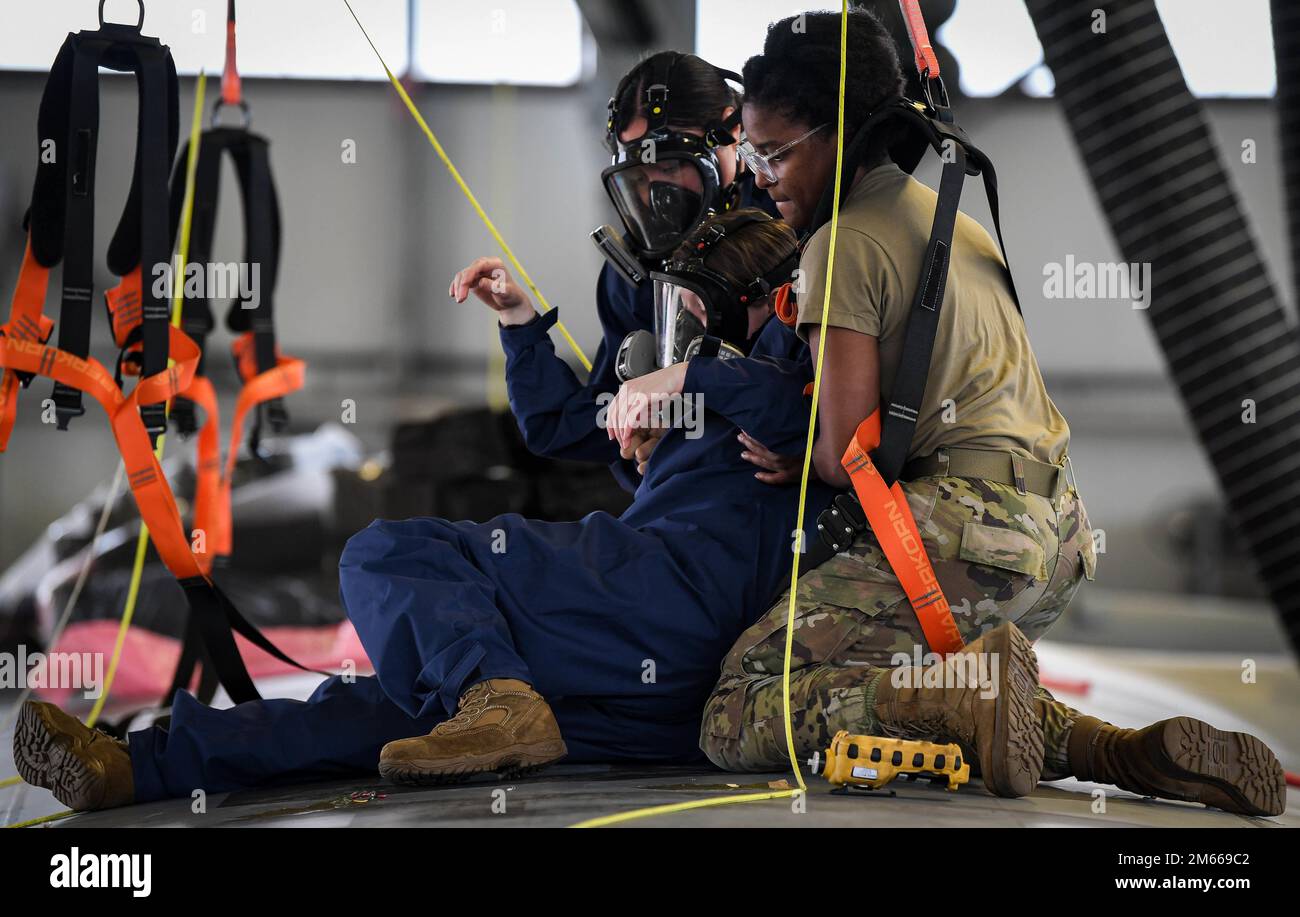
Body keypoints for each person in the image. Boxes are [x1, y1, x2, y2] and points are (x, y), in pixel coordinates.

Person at [14, 208, 838, 810]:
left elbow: (803, 405)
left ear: (760, 305)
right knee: (374, 717)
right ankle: (135, 764)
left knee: (388, 554)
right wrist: (521, 322)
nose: (679, 331)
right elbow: (559, 424)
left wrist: (684, 381)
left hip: (665, 603)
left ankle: (496, 697)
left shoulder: (784, 377)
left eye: (692, 309)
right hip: (647, 699)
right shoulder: (693, 407)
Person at [698, 9, 1286, 817]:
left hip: (964, 529)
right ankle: (1112, 750)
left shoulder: (840, 244)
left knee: (738, 702)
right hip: (1059, 533)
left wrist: (786, 443)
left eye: (774, 152)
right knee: (968, 691)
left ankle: (946, 702)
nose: (761, 174)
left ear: (841, 134)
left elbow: (842, 457)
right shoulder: (957, 225)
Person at [457, 51, 778, 491]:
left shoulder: (790, 232)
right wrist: (520, 322)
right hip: (687, 513)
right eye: (640, 177)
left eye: (670, 167)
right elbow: (570, 426)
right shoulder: (632, 275)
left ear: (733, 130)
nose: (657, 195)